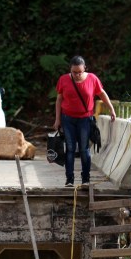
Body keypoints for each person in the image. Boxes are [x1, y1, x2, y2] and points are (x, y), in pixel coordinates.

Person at [53, 55, 117, 187]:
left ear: (85, 69)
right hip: (68, 118)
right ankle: (69, 179)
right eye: (74, 72)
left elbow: (102, 93)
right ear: (70, 69)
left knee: (84, 149)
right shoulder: (63, 80)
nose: (76, 75)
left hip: (85, 119)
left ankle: (86, 178)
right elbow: (59, 100)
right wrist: (57, 119)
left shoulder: (92, 79)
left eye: (79, 72)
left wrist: (111, 109)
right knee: (70, 148)